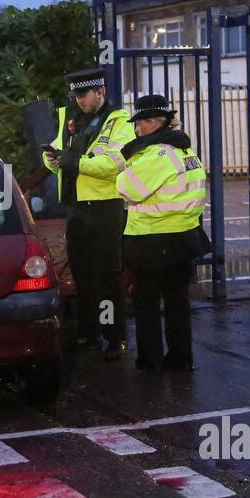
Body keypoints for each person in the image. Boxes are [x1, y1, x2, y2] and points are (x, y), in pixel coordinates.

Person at [43, 68, 135, 360]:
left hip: (104, 206)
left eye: (84, 95)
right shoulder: (71, 121)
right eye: (76, 96)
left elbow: (114, 164)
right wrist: (53, 160)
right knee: (82, 273)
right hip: (75, 205)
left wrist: (73, 162)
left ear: (101, 92)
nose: (80, 101)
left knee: (108, 274)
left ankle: (114, 336)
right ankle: (88, 333)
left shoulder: (118, 123)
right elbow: (59, 157)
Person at [116, 95, 208, 371]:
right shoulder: (184, 150)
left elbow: (127, 188)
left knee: (146, 303)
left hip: (152, 239)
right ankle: (181, 358)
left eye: (142, 122)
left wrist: (125, 168)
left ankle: (150, 360)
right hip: (183, 237)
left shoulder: (157, 154)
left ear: (156, 123)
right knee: (177, 302)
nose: (138, 128)